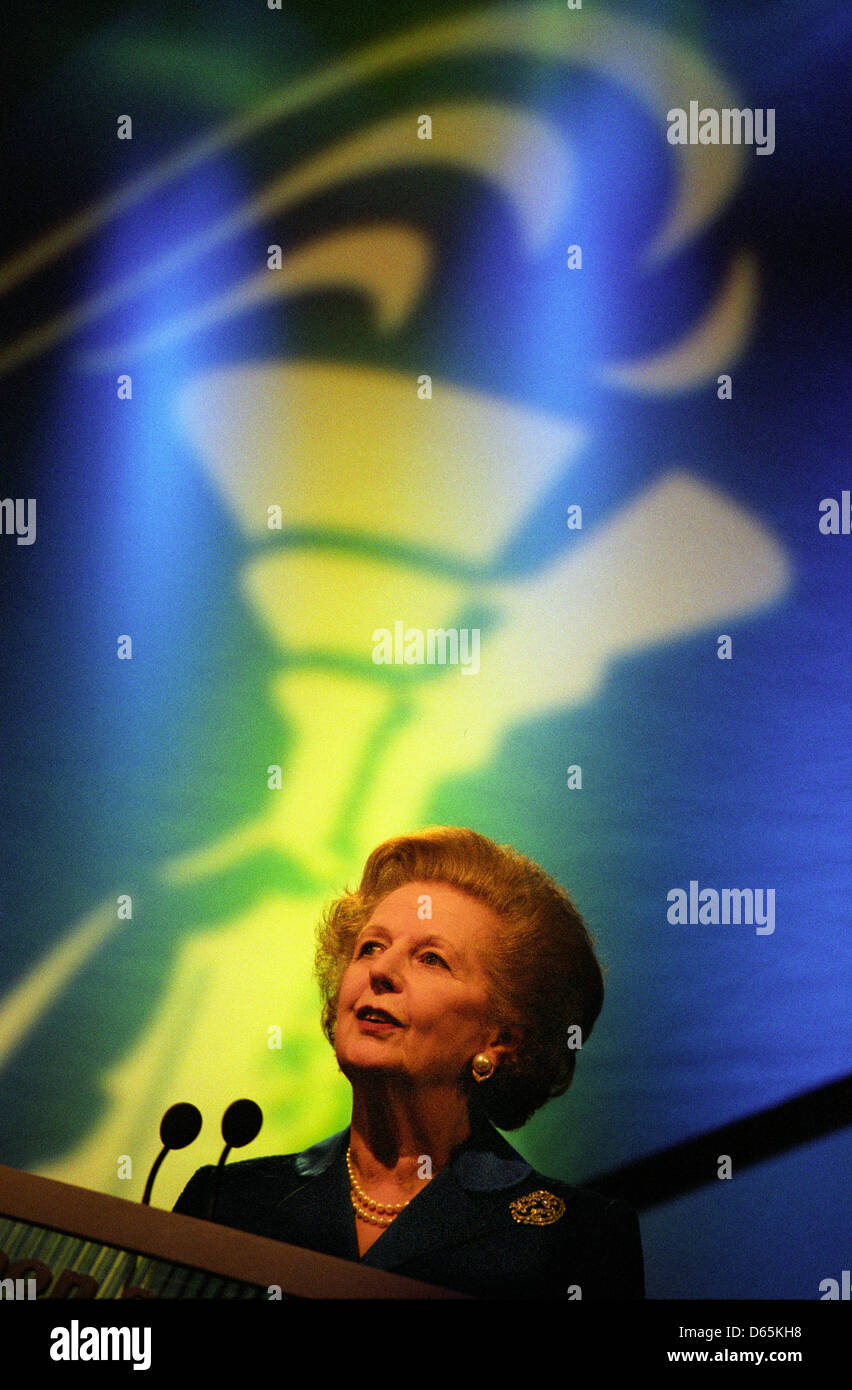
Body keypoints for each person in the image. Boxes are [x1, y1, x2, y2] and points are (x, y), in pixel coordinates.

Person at [173, 825, 644, 1298]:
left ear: (501, 1036)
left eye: (431, 959)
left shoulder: (575, 1239)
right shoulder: (226, 1201)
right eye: (371, 947)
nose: (379, 970)